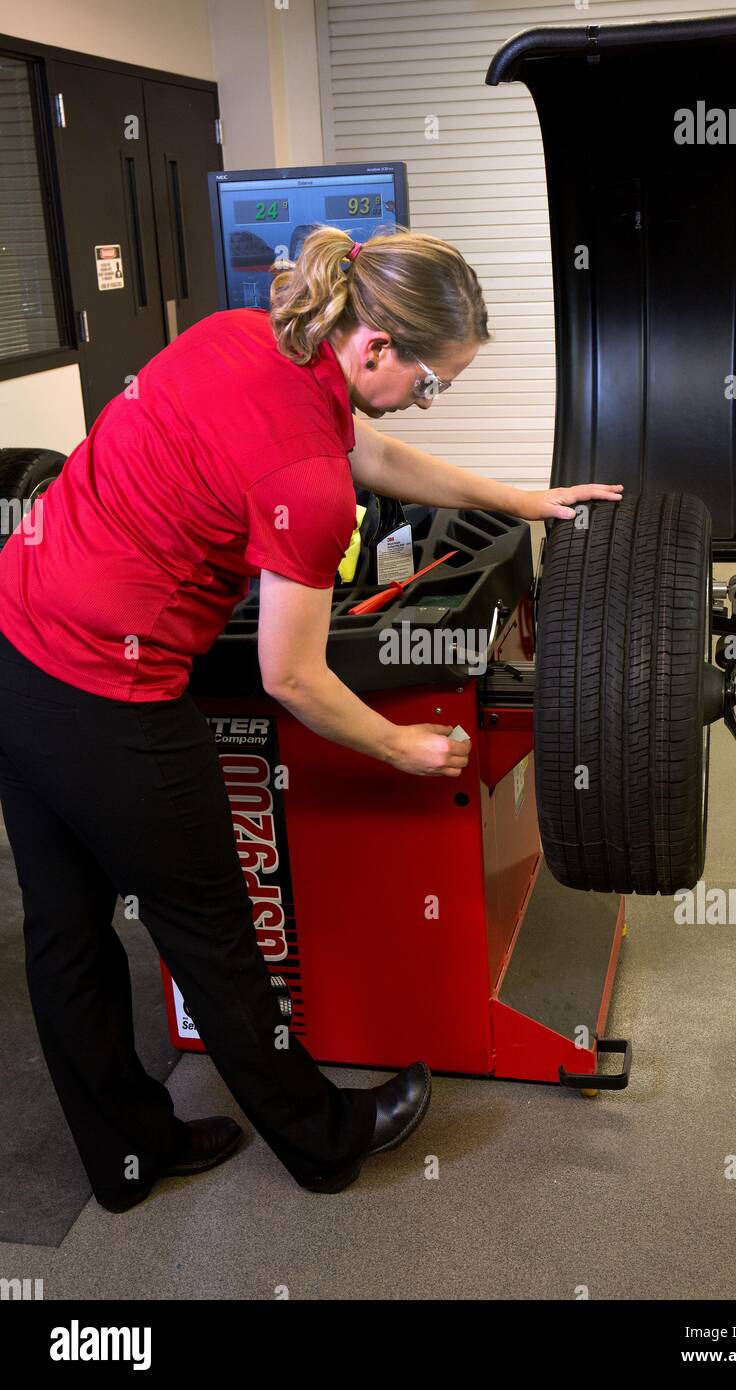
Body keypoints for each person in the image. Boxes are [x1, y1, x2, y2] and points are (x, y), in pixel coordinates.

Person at [0, 226, 623, 1209]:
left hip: (17, 640)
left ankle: (126, 1155)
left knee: (65, 928)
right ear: (374, 347)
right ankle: (322, 1138)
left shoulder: (246, 335)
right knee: (213, 931)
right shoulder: (306, 486)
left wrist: (518, 500)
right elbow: (289, 676)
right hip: (109, 694)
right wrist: (402, 744)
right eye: (432, 382)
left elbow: (364, 443)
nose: (431, 400)